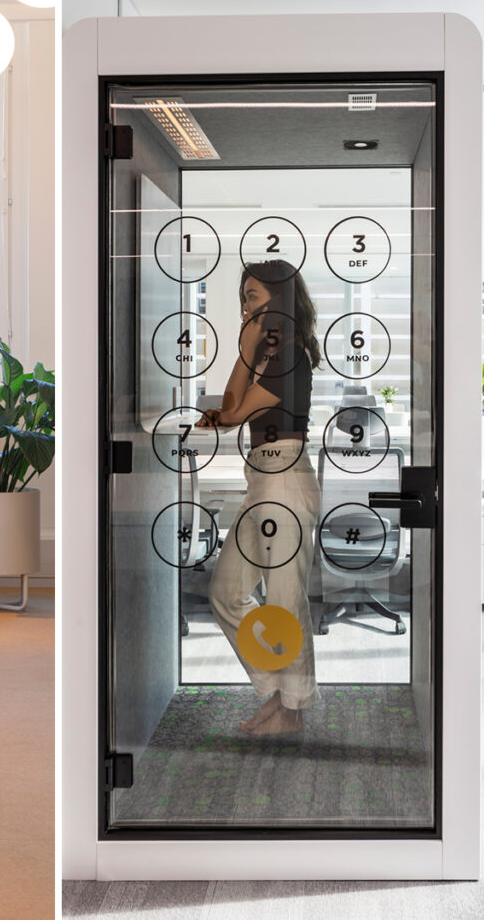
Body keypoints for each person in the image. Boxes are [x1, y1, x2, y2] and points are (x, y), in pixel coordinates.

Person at [198, 259, 322, 735]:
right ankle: (276, 692)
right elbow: (232, 410)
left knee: (286, 603)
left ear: (278, 298)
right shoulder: (273, 353)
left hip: (285, 482)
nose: (245, 305)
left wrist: (246, 348)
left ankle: (291, 711)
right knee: (228, 594)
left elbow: (230, 411)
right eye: (244, 297)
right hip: (262, 481)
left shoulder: (287, 352)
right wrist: (249, 351)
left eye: (252, 296)